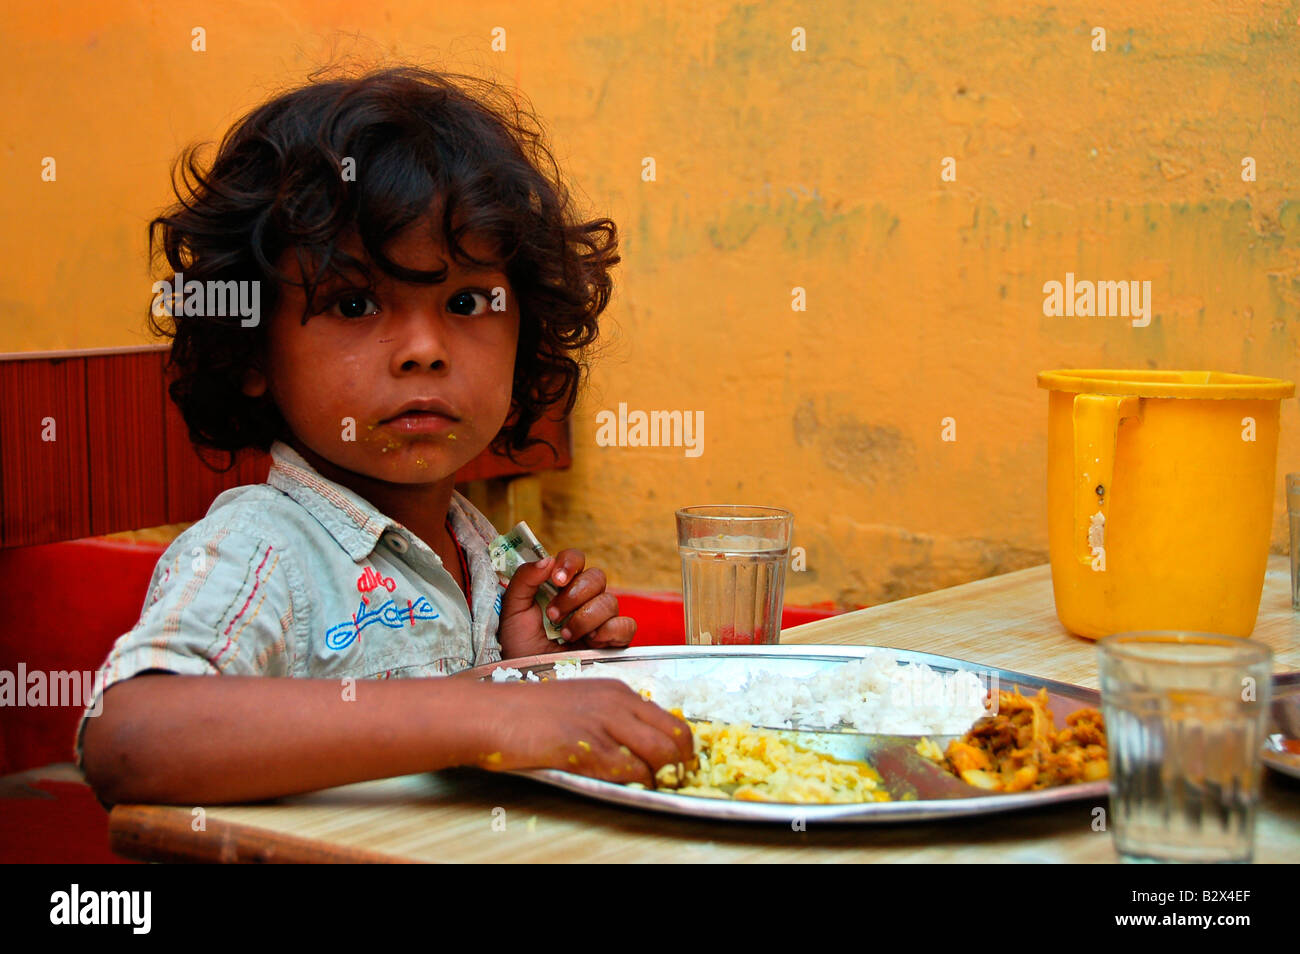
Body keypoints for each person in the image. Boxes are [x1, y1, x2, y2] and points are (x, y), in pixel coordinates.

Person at [78, 64, 693, 806]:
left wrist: (526, 673)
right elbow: (131, 735)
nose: (423, 349)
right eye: (355, 302)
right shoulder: (262, 548)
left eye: (466, 300)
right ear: (252, 354)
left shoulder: (481, 549)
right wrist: (488, 710)